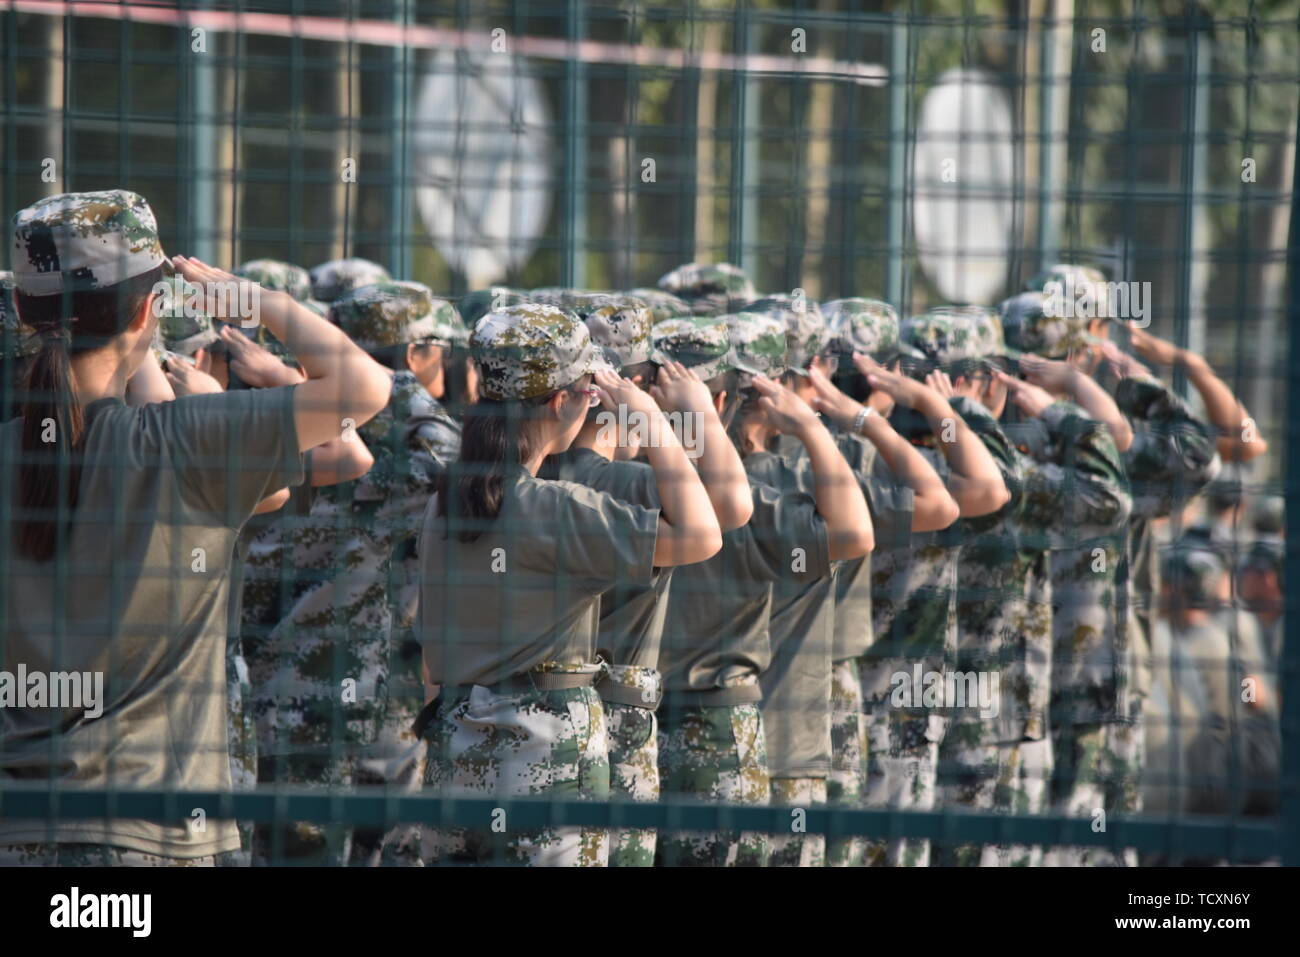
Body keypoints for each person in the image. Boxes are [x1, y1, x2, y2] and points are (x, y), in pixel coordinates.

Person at [0, 190, 390, 865]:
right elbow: (365, 390)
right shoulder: (187, 443)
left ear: (25, 312)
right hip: (150, 828)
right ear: (151, 311)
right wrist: (258, 302)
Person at [416, 303, 723, 866]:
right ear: (562, 401)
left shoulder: (445, 501)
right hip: (545, 762)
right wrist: (652, 421)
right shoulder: (551, 509)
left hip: (454, 751)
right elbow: (704, 534)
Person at [254, 280, 466, 865]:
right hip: (372, 708)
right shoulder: (405, 464)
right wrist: (387, 377)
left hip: (275, 702)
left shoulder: (275, 428)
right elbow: (454, 468)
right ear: (419, 355)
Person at [654, 311, 874, 867]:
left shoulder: (626, 479)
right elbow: (857, 533)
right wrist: (813, 427)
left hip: (647, 736)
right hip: (764, 737)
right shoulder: (782, 487)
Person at [543, 306, 752, 867]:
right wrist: (687, 418)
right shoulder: (625, 485)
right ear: (625, 390)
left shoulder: (534, 477)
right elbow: (732, 505)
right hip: (615, 718)